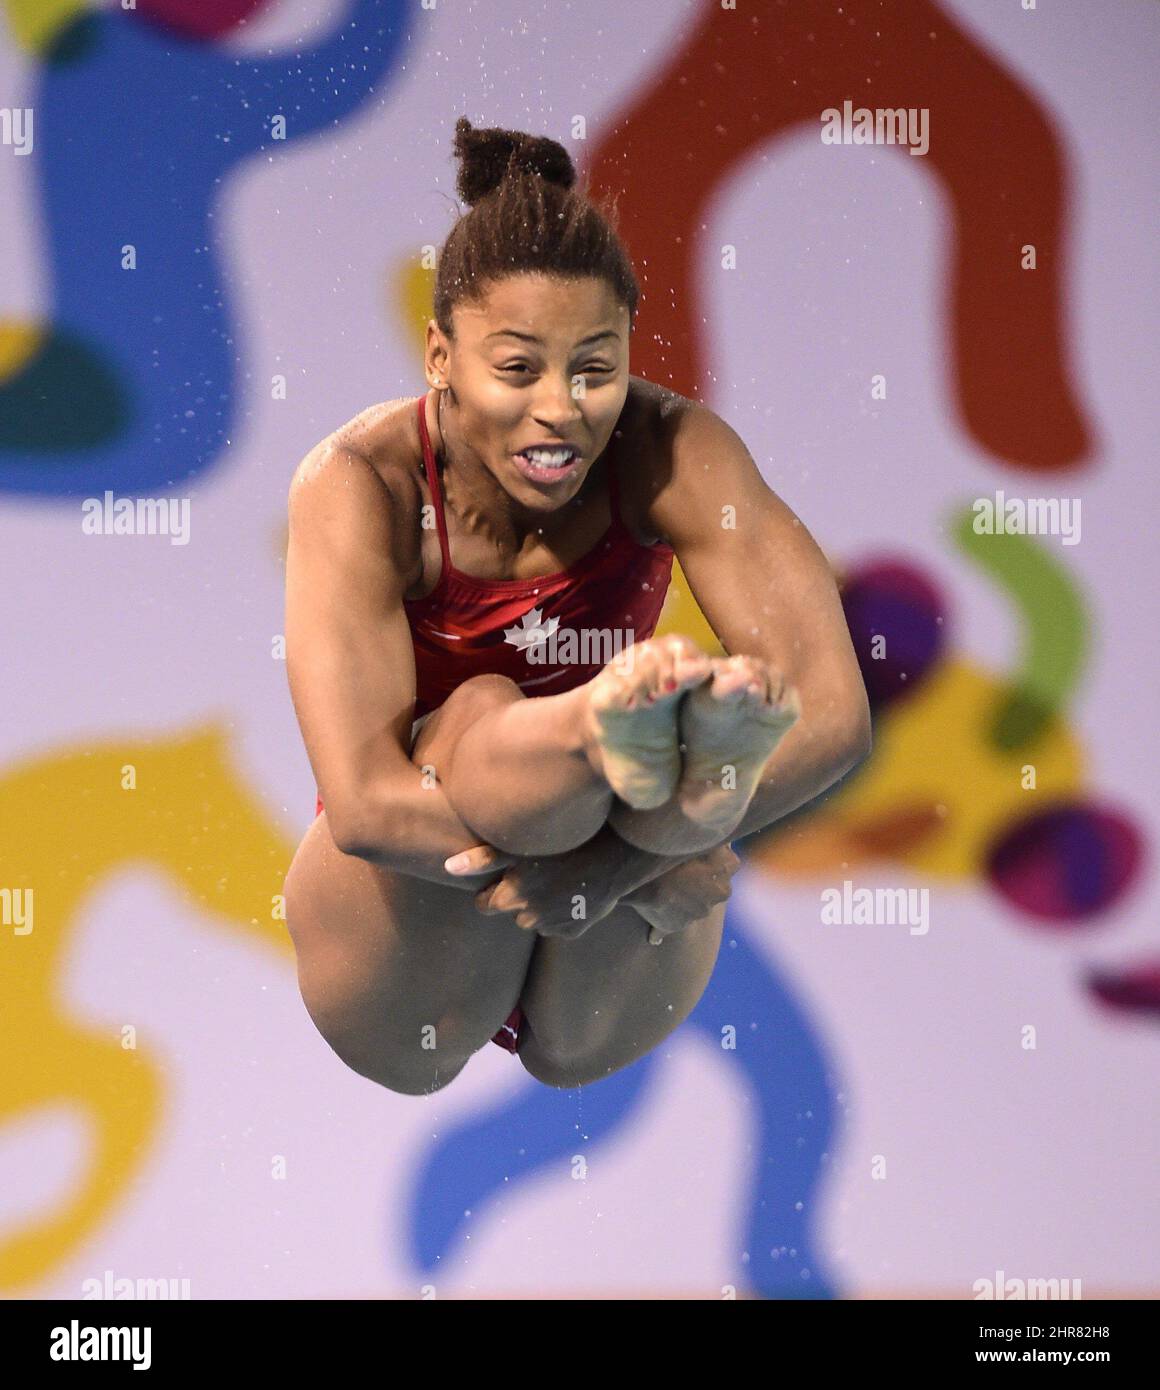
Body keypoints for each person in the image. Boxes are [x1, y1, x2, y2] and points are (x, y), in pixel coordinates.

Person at [282, 118, 871, 1094]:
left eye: (595, 366)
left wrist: (609, 872)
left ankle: (637, 764)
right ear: (439, 356)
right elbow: (365, 804)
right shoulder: (360, 481)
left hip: (606, 935)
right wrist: (626, 859)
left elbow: (833, 711)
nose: (561, 407)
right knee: (480, 712)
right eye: (516, 368)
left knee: (636, 862)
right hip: (412, 924)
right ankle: (617, 737)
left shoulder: (672, 449)